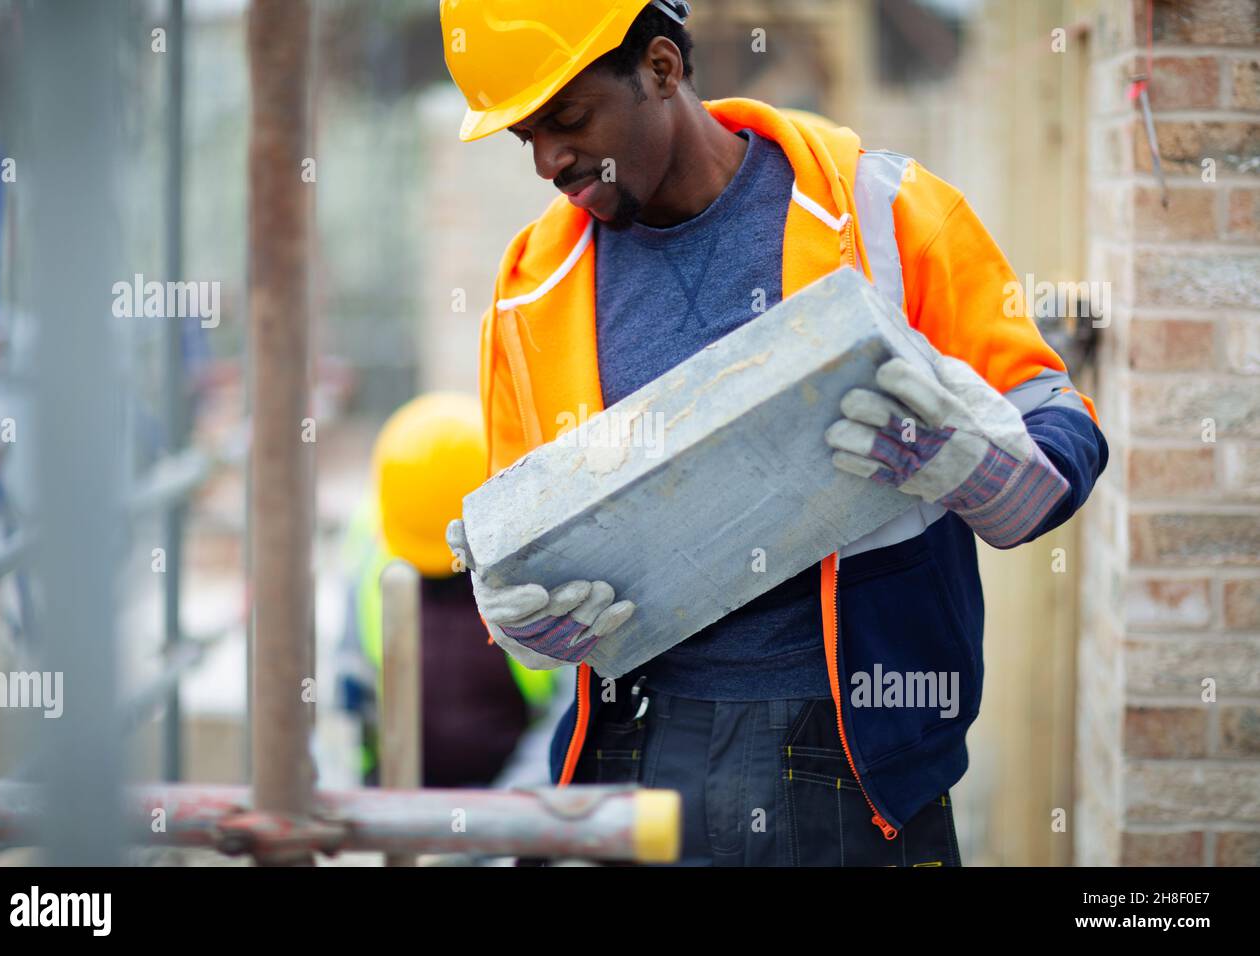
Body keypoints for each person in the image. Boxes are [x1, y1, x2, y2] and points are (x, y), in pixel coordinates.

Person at [439, 0, 1108, 865]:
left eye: (566, 119)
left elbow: (1059, 428)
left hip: (857, 761)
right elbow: (524, 538)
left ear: (661, 67)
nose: (549, 160)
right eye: (522, 135)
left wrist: (978, 466)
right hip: (638, 756)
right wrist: (522, 621)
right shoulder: (533, 288)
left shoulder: (879, 211)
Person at [338, 392, 559, 788]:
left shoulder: (535, 563)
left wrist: (511, 813)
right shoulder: (368, 549)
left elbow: (567, 706)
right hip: (398, 800)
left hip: (514, 808)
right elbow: (348, 697)